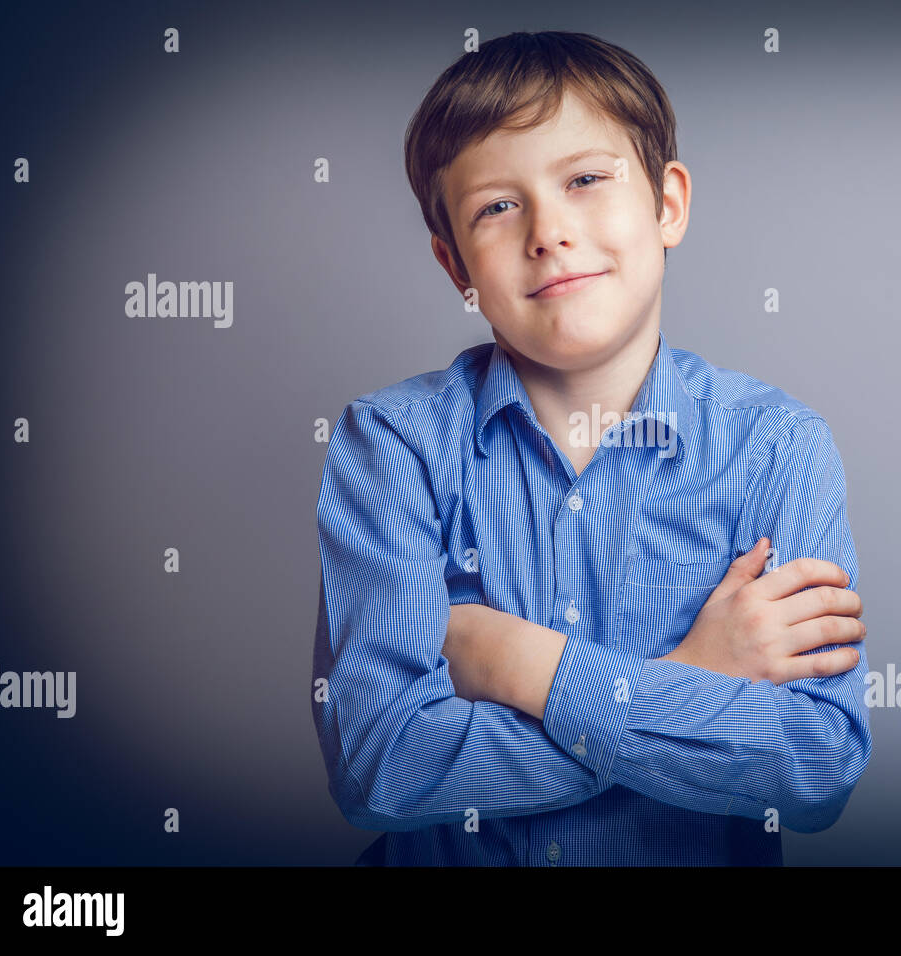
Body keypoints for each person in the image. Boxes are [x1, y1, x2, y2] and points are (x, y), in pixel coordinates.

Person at [312, 30, 870, 866]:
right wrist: (691, 675)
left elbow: (814, 768)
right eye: (497, 207)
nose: (548, 232)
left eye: (584, 180)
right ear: (454, 264)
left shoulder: (775, 447)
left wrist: (519, 661)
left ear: (667, 204)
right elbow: (383, 768)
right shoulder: (393, 445)